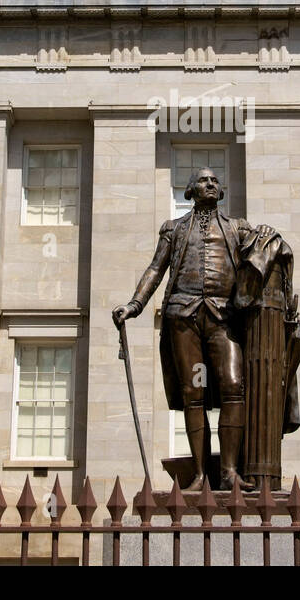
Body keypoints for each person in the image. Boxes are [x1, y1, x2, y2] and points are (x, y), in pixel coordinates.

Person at [113, 168, 274, 491]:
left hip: (223, 316)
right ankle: (200, 475)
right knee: (193, 393)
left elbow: (264, 254)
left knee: (233, 385)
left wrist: (269, 236)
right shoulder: (174, 229)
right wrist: (134, 305)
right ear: (189, 190)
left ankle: (229, 472)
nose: (211, 183)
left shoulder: (237, 228)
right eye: (203, 180)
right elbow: (156, 269)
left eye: (215, 180)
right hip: (182, 315)